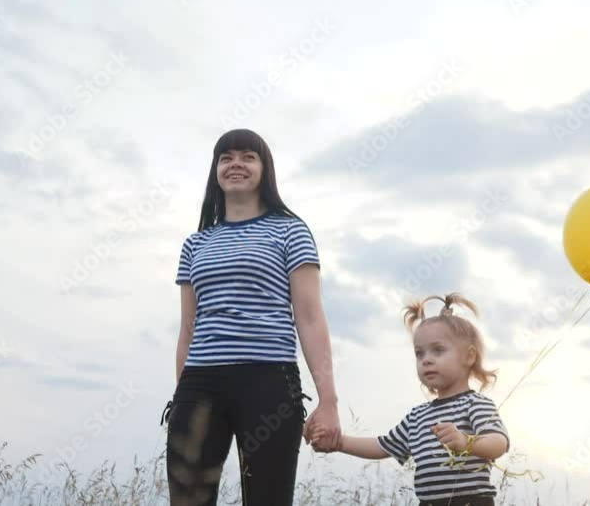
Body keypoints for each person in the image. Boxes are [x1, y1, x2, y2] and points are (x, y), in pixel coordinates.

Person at [162, 128, 341, 505]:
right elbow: (188, 329)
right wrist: (181, 395)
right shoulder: (195, 244)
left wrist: (328, 401)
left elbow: (309, 318)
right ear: (216, 171)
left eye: (247, 156)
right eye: (226, 158)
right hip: (200, 384)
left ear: (265, 169)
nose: (236, 164)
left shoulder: (291, 231)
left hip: (269, 380)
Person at [310, 293, 509, 506]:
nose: (426, 360)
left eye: (438, 350)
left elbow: (499, 443)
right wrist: (338, 443)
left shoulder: (475, 404)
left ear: (469, 357)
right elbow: (383, 446)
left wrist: (466, 442)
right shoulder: (418, 416)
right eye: (419, 354)